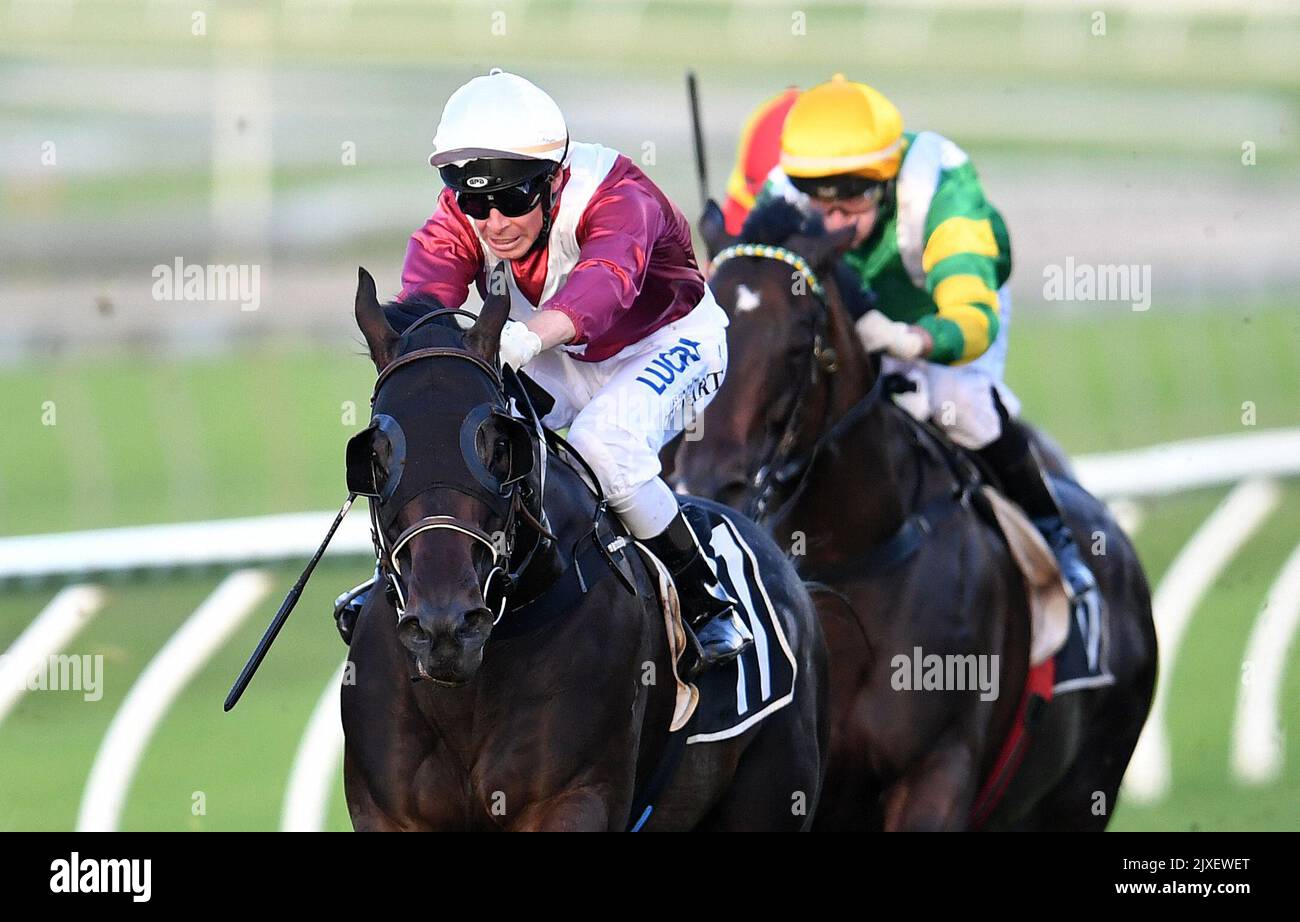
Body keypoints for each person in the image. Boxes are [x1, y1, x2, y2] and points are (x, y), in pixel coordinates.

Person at [334, 70, 751, 667]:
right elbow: (427, 305)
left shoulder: (617, 196)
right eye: (475, 201)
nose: (494, 222)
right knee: (458, 425)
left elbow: (605, 286)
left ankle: (706, 600)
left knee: (604, 447)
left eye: (512, 199)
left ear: (553, 178)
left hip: (666, 343)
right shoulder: (463, 220)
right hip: (558, 353)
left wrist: (528, 338)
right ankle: (412, 582)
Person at [755, 73, 1098, 613]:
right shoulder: (781, 193)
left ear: (887, 180)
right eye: (822, 206)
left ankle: (1053, 532)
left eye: (855, 202)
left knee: (956, 407)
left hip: (945, 307)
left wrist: (906, 341)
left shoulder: (942, 189)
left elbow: (972, 318)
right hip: (854, 308)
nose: (838, 221)